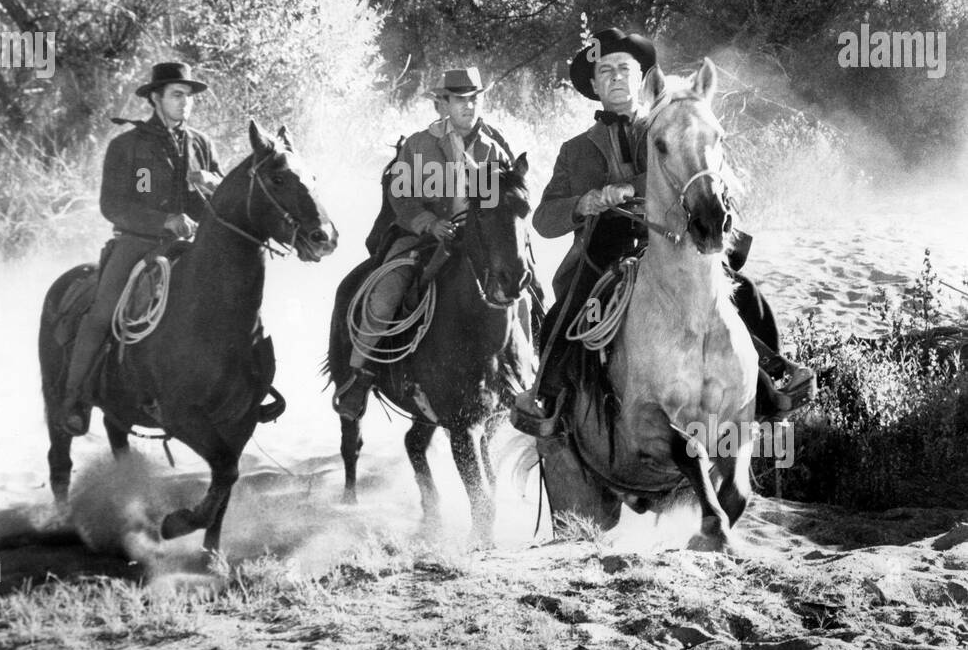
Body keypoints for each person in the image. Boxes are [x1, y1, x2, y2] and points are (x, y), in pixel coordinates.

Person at [528, 28, 813, 419]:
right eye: (605, 70)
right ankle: (549, 399)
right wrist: (585, 202)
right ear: (593, 84)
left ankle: (773, 376)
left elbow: (703, 170)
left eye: (624, 69)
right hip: (604, 251)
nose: (614, 77)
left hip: (675, 239)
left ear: (641, 80)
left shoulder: (674, 123)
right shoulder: (574, 151)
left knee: (741, 291)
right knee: (567, 312)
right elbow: (543, 219)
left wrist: (627, 187)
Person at [332, 67, 517, 421]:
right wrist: (430, 223)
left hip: (477, 243)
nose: (469, 106)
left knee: (524, 293)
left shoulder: (493, 150)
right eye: (460, 99)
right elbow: (402, 201)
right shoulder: (419, 145)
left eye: (474, 99)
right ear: (441, 105)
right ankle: (363, 374)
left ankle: (527, 373)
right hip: (419, 239)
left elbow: (505, 204)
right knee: (387, 292)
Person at [59, 61, 222, 435]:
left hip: (191, 243)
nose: (186, 104)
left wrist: (213, 182)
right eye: (177, 96)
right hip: (137, 243)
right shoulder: (127, 147)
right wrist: (162, 221)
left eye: (189, 97)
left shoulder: (201, 144)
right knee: (102, 314)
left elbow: (222, 197)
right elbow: (112, 207)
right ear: (155, 98)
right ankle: (75, 398)